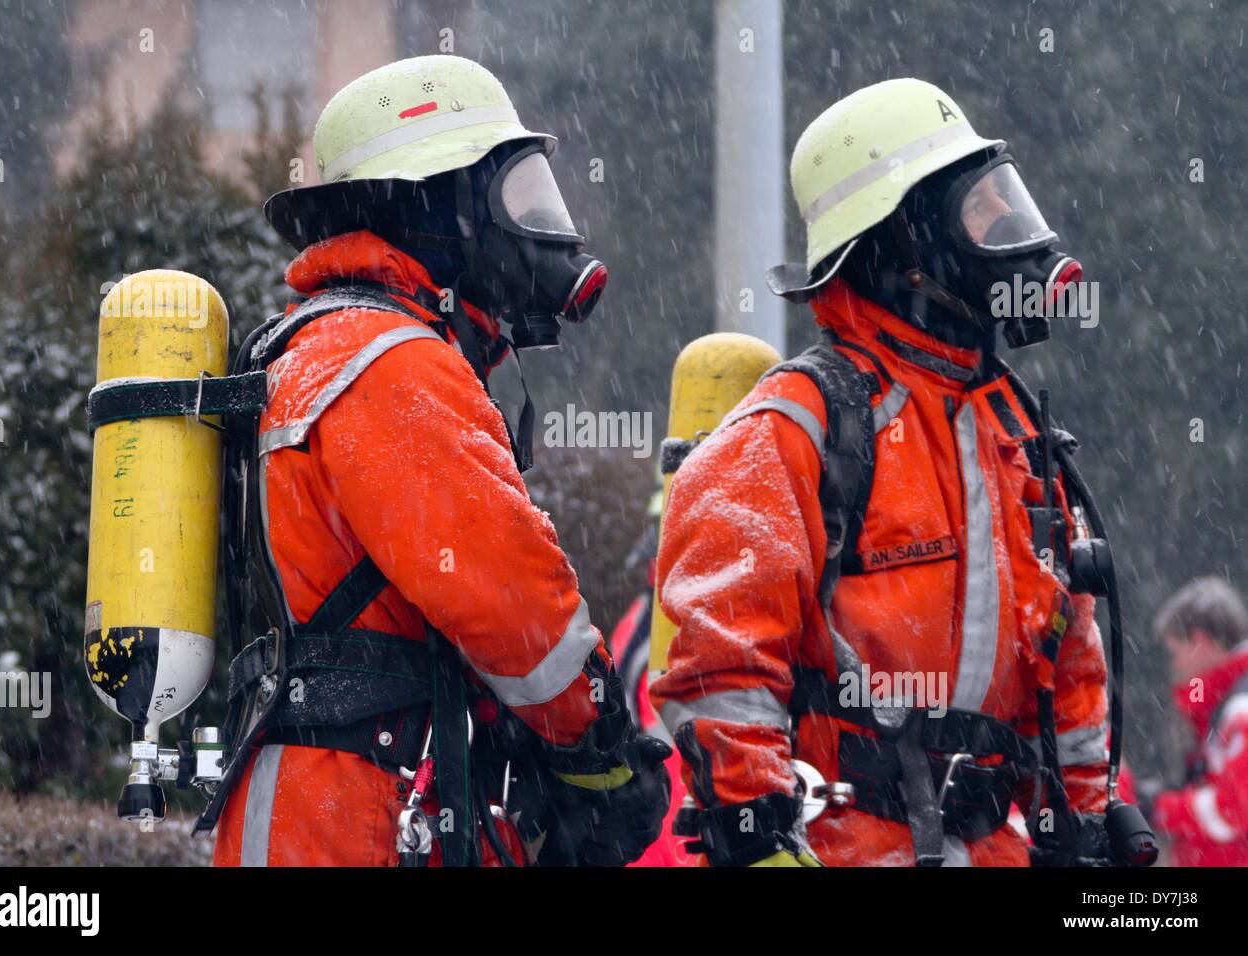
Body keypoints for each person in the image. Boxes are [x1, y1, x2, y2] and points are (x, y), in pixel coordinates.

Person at [202, 54, 668, 867]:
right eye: (513, 195)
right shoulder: (388, 362)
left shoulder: (328, 346)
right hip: (346, 817)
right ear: (436, 208)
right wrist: (605, 751)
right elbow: (510, 602)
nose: (539, 226)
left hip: (325, 797)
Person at [651, 78, 1116, 867]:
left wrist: (1088, 824)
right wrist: (757, 833)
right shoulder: (801, 425)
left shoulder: (1014, 436)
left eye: (1009, 200)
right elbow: (722, 658)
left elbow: (1068, 670)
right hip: (842, 844)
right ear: (903, 245)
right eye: (981, 210)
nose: (1012, 233)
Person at [1148, 577, 1248, 865]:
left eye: (1175, 651)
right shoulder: (1220, 702)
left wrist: (1162, 808)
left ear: (1200, 640)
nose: (1175, 664)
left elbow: (1232, 810)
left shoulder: (1240, 709)